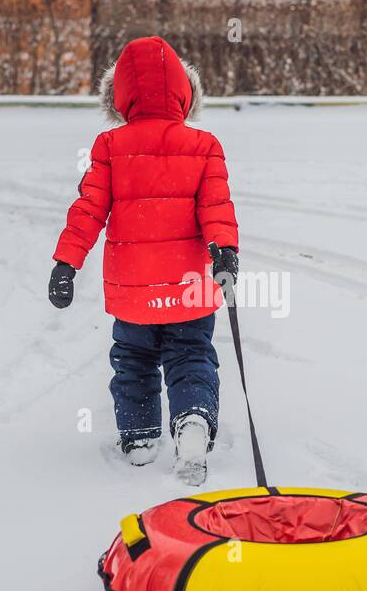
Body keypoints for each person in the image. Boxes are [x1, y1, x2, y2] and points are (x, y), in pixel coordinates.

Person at [48, 36, 239, 485]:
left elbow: (88, 209)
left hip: (132, 287)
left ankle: (138, 436)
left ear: (119, 98)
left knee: (133, 357)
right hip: (190, 284)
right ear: (184, 94)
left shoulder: (110, 145)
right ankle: (192, 420)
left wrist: (66, 263)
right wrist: (225, 253)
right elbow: (217, 206)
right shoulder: (204, 144)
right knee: (191, 353)